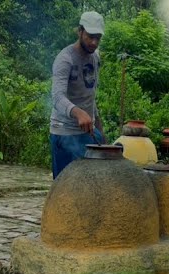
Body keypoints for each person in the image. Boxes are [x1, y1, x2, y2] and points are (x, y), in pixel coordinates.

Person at [49, 11, 105, 179]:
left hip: (88, 133)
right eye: (90, 36)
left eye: (98, 38)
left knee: (92, 185)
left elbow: (90, 96)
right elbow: (57, 97)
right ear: (80, 31)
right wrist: (78, 112)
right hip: (64, 133)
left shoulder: (95, 58)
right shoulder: (65, 59)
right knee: (66, 190)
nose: (94, 42)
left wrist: (99, 130)